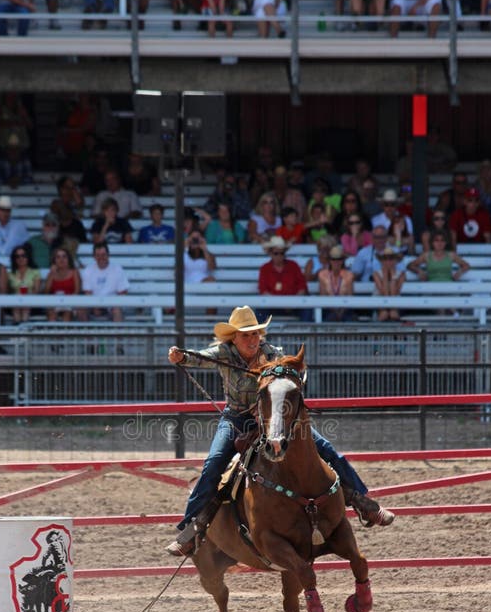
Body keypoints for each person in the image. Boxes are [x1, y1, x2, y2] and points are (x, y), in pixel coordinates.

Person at [165, 305, 395, 556]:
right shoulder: (223, 353)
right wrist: (182, 357)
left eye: (255, 334)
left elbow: (291, 376)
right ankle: (191, 528)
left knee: (326, 449)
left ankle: (364, 503)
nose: (252, 339)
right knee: (214, 464)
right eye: (245, 335)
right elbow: (199, 357)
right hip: (236, 420)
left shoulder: (273, 354)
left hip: (274, 420)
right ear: (234, 338)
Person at [258, 235, 310, 320]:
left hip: (294, 305)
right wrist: (278, 303)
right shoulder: (265, 268)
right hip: (272, 306)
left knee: (307, 310)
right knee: (259, 312)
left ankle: (305, 333)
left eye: (282, 253)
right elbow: (263, 291)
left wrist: (292, 303)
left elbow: (302, 288)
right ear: (270, 254)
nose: (279, 256)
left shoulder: (294, 266)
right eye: (276, 253)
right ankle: (261, 333)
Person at [80, 241, 129, 321]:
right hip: (93, 304)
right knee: (81, 309)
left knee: (116, 310)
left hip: (112, 305)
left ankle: (117, 333)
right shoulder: (88, 270)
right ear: (94, 257)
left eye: (103, 254)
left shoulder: (117, 269)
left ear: (108, 255)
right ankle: (86, 333)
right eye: (98, 255)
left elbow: (123, 292)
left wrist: (109, 305)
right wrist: (95, 306)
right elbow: (87, 293)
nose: (101, 257)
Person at [317, 245, 356, 322]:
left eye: (339, 259)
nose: (336, 262)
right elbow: (323, 297)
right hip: (328, 309)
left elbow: (350, 297)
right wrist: (335, 312)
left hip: (345, 309)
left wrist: (340, 313)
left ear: (342, 261)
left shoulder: (349, 275)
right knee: (329, 317)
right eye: (333, 259)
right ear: (330, 261)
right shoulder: (322, 275)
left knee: (348, 319)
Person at [44, 247, 82, 322]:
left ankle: (64, 334)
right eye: (58, 257)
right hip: (55, 302)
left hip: (70, 302)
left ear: (68, 259)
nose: (61, 260)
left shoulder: (74, 272)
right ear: (54, 260)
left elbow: (77, 291)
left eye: (64, 256)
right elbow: (46, 291)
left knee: (67, 315)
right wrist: (52, 273)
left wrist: (68, 302)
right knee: (52, 315)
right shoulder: (51, 273)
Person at [8, 243, 41, 323]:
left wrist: (27, 299)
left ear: (28, 257)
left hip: (31, 301)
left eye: (23, 255)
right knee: (16, 305)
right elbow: (8, 291)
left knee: (26, 306)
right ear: (14, 259)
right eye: (17, 256)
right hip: (14, 301)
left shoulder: (35, 272)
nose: (21, 258)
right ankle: (18, 331)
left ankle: (23, 331)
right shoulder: (10, 274)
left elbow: (36, 290)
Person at [372, 247, 405, 321]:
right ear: (382, 261)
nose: (388, 261)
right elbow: (383, 293)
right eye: (385, 259)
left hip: (396, 302)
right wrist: (385, 276)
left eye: (391, 259)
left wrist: (393, 276)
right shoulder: (376, 274)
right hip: (379, 301)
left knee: (393, 313)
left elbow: (395, 293)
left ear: (396, 261)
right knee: (384, 314)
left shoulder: (401, 274)